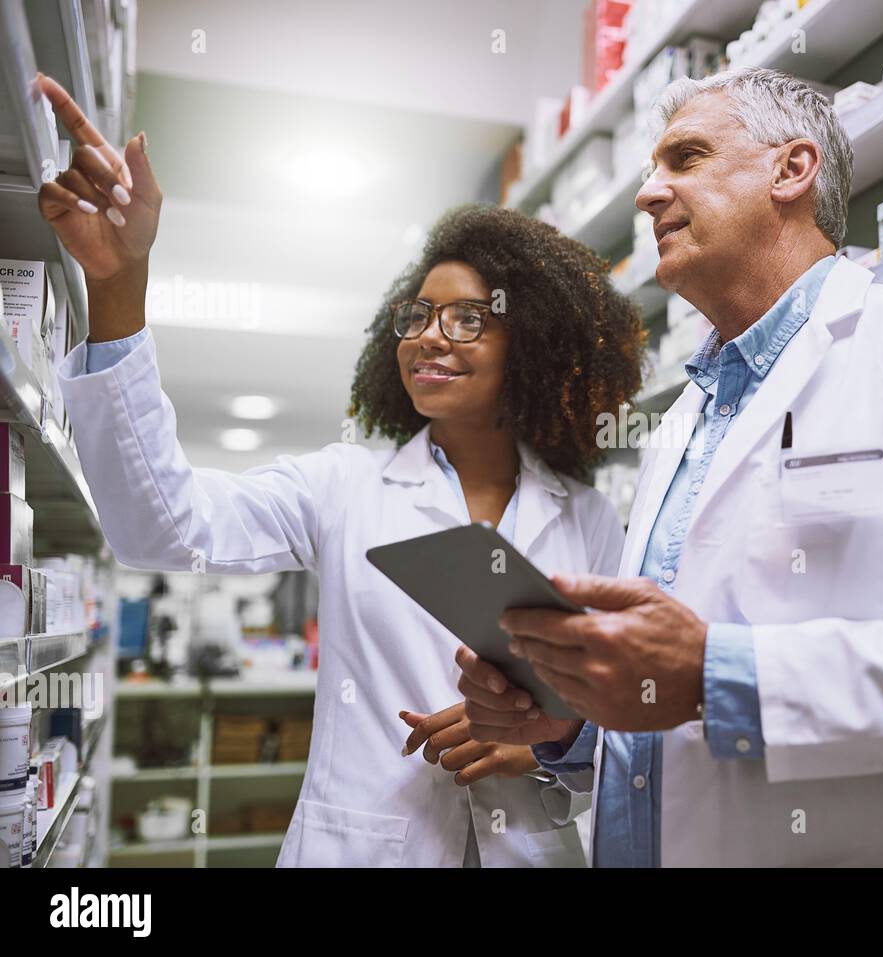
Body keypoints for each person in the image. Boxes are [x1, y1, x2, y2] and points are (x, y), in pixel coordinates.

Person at [455, 67, 883, 867]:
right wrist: (571, 723)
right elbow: (674, 716)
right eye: (648, 170)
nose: (647, 194)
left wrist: (714, 675)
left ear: (791, 170)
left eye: (685, 157)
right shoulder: (681, 425)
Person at [35, 74, 644, 867]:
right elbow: (161, 527)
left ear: (530, 345)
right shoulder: (343, 486)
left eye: (468, 318)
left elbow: (625, 727)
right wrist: (118, 283)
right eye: (416, 315)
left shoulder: (589, 518)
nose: (430, 335)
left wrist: (541, 743)